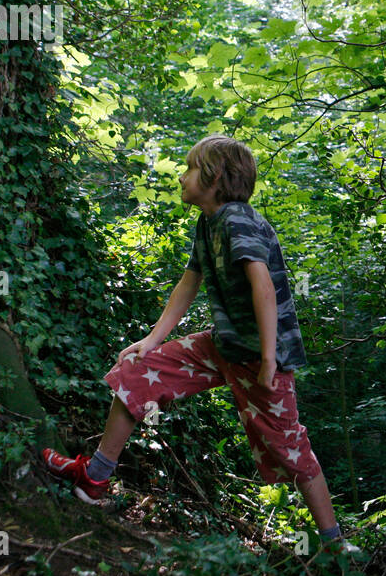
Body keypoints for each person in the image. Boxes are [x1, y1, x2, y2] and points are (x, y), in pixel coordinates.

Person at [42, 134, 357, 554]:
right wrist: (151, 341)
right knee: (137, 372)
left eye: (191, 168)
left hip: (262, 358)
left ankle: (335, 543)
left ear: (216, 178)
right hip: (223, 346)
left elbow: (261, 285)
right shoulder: (208, 223)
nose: (182, 175)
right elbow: (189, 282)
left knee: (288, 445)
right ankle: (96, 476)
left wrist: (268, 357)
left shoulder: (237, 219)